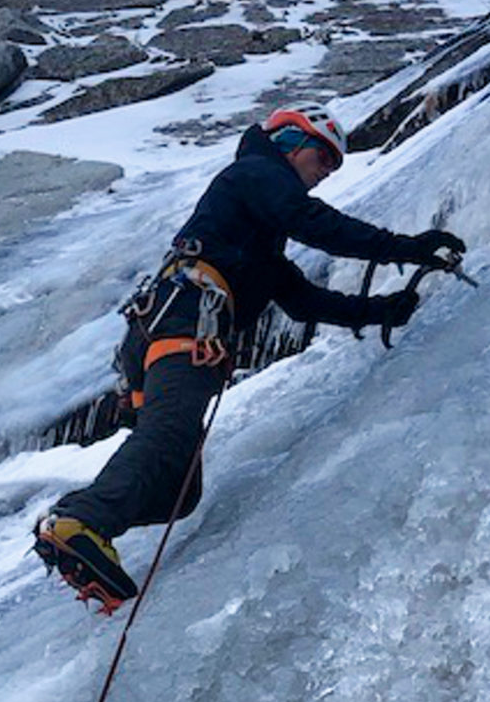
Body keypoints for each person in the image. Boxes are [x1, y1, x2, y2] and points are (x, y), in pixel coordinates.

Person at [33, 102, 467, 614]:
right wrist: (406, 248)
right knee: (169, 436)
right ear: (289, 141)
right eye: (323, 157)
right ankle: (81, 521)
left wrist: (382, 311)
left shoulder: (257, 243)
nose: (326, 172)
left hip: (164, 324)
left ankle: (86, 531)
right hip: (188, 318)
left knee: (179, 489)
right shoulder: (255, 171)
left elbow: (304, 301)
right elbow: (314, 223)